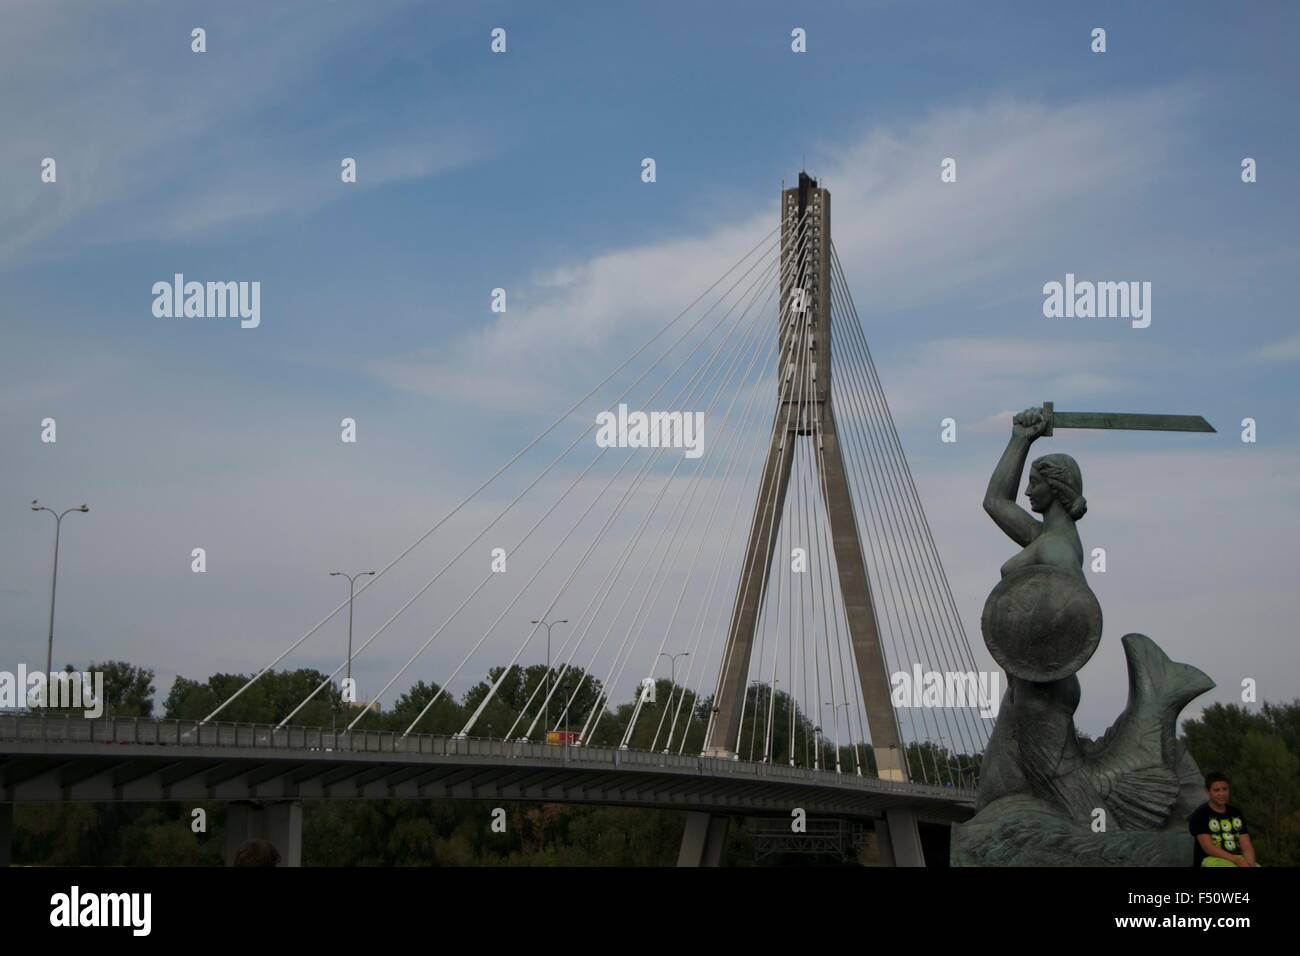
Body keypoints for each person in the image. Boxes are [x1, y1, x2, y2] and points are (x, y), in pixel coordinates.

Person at [1188, 772, 1257, 867]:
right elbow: (1208, 847)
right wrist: (1237, 860)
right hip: (1211, 860)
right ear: (1207, 791)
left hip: (1238, 859)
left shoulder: (1236, 813)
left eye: (1225, 789)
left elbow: (1246, 844)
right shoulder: (1201, 814)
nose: (1222, 794)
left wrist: (1250, 863)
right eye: (1217, 790)